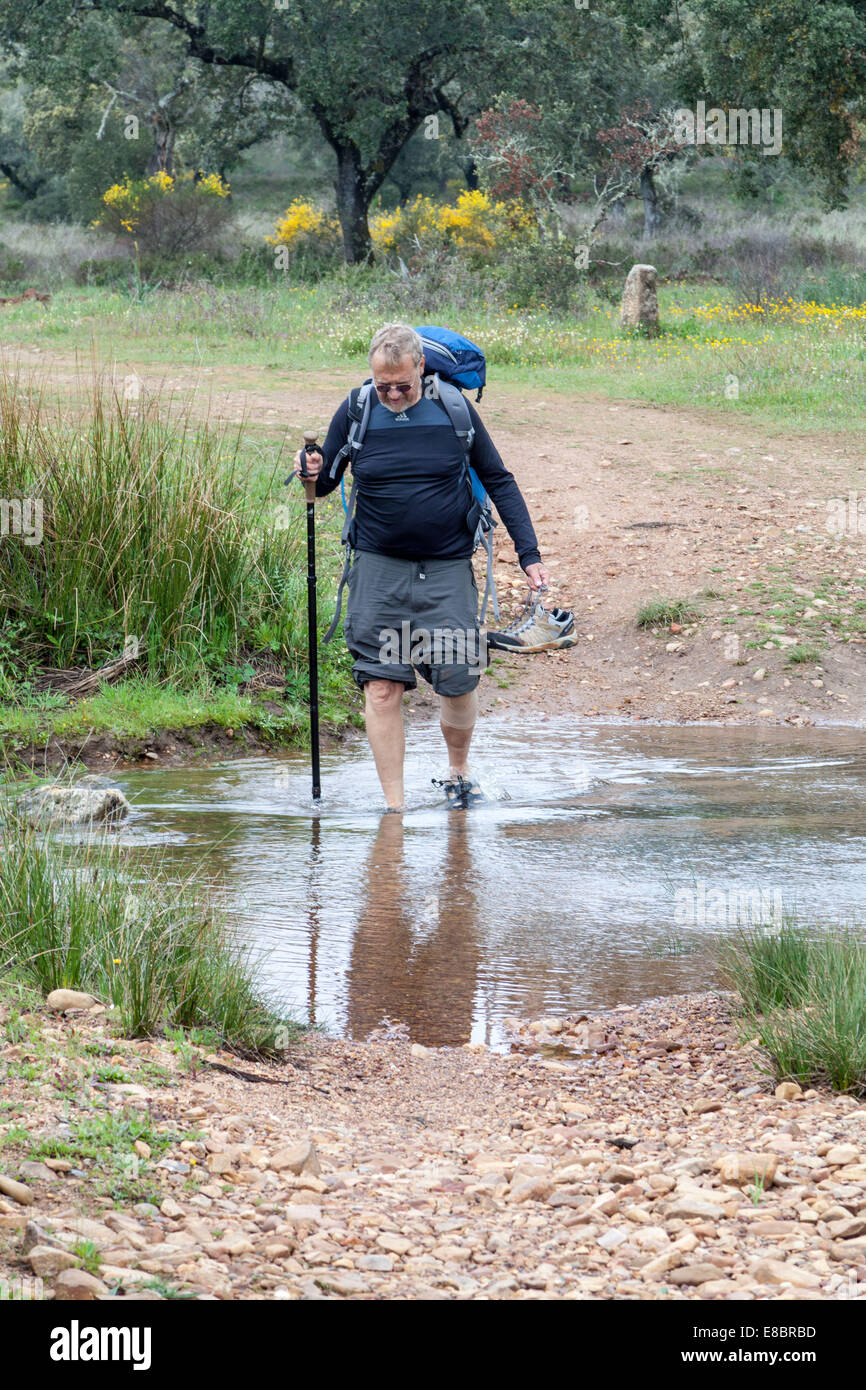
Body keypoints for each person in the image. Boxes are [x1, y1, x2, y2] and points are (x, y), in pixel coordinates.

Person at [292, 322, 548, 812]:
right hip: (376, 570)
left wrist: (529, 554)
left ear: (421, 368)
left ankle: (458, 769)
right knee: (382, 685)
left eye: (401, 385)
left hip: (446, 569)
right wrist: (310, 471)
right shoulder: (357, 409)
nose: (390, 393)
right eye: (382, 384)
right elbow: (324, 483)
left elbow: (499, 479)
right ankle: (395, 811)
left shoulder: (453, 410)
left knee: (458, 677)